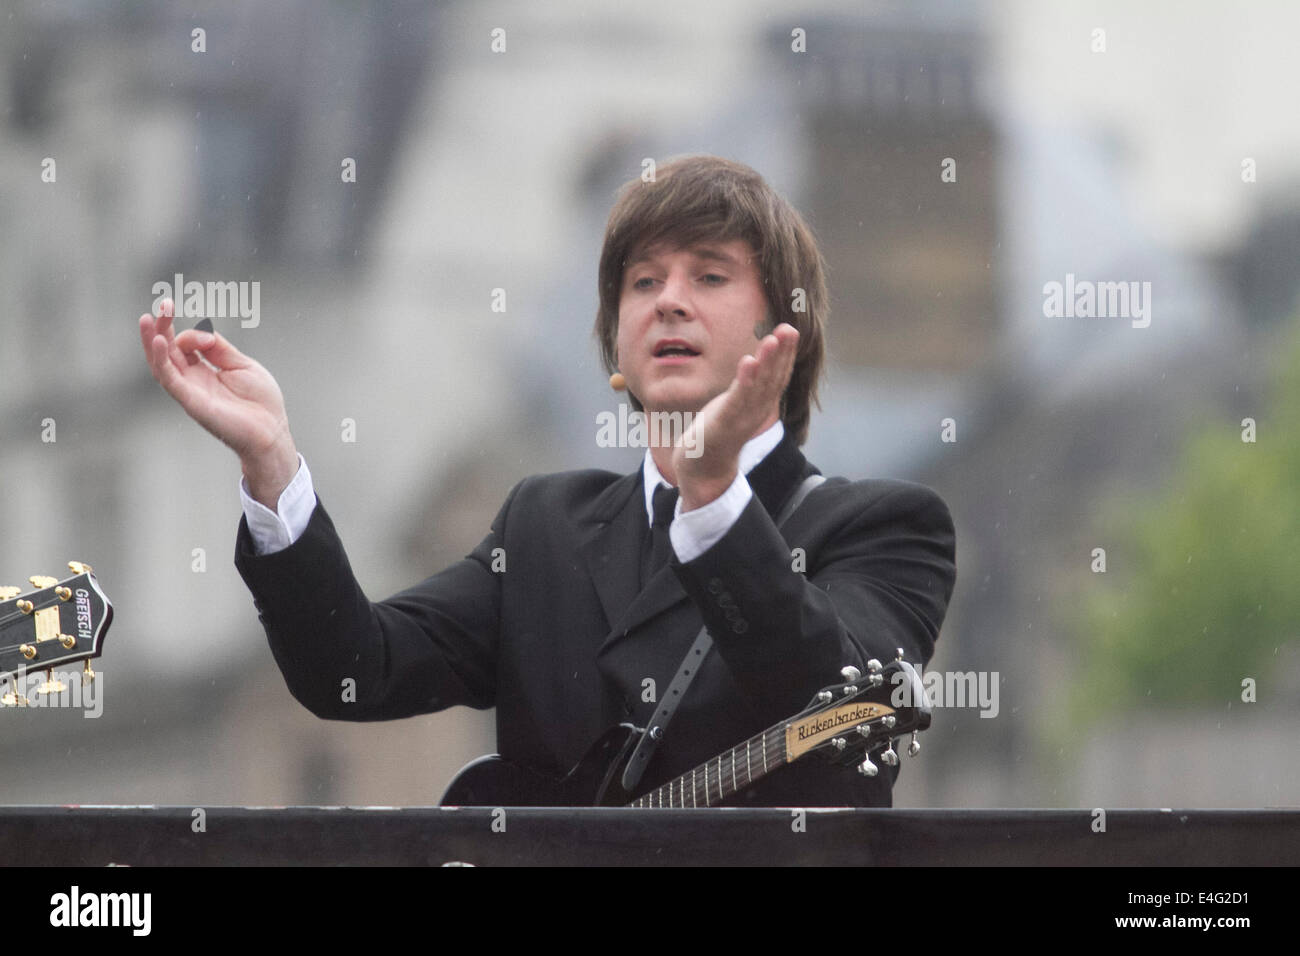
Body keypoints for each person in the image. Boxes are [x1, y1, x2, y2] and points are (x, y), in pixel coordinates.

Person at [140, 155, 956, 806]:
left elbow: (831, 698)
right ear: (612, 347)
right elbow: (354, 669)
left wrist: (713, 498)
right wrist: (272, 460)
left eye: (709, 276)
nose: (669, 301)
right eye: (643, 282)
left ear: (785, 332)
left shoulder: (887, 527)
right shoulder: (544, 526)